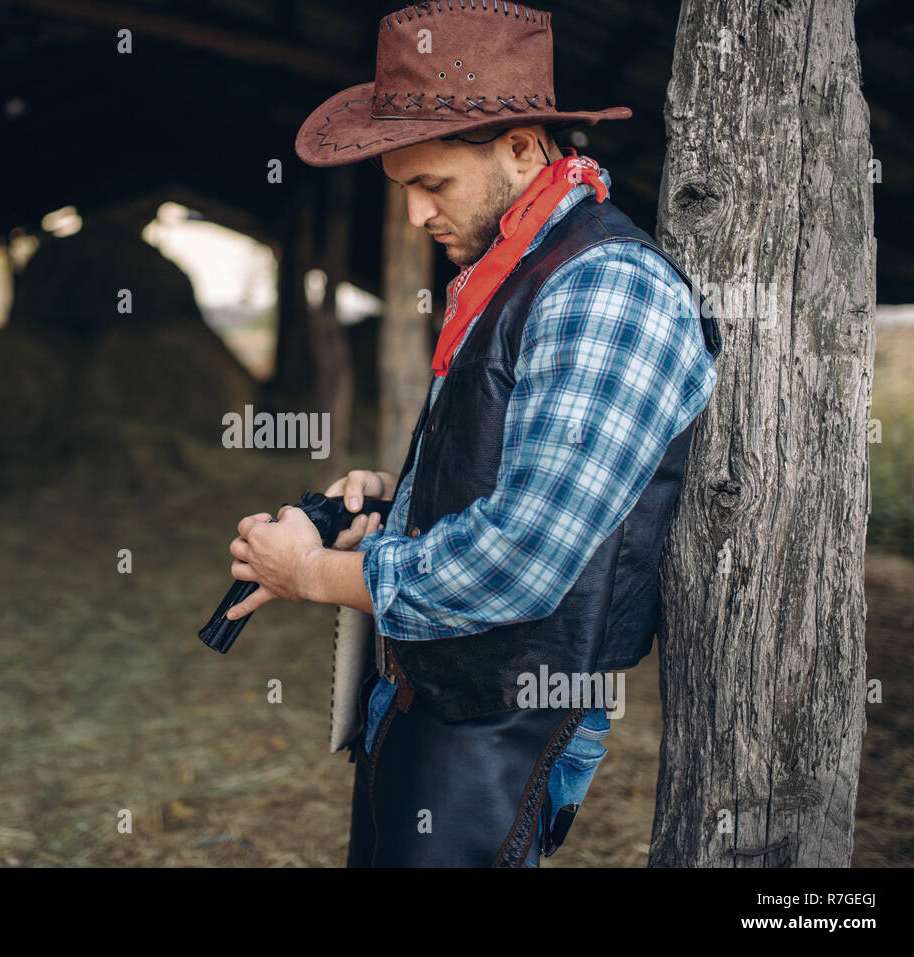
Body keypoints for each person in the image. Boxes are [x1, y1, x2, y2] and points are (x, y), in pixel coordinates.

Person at [226, 1, 721, 866]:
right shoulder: (513, 269)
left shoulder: (603, 289)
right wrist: (400, 495)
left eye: (433, 185)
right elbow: (513, 465)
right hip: (434, 686)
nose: (416, 215)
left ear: (524, 147)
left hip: (510, 710)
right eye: (405, 188)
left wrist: (311, 572)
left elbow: (519, 560)